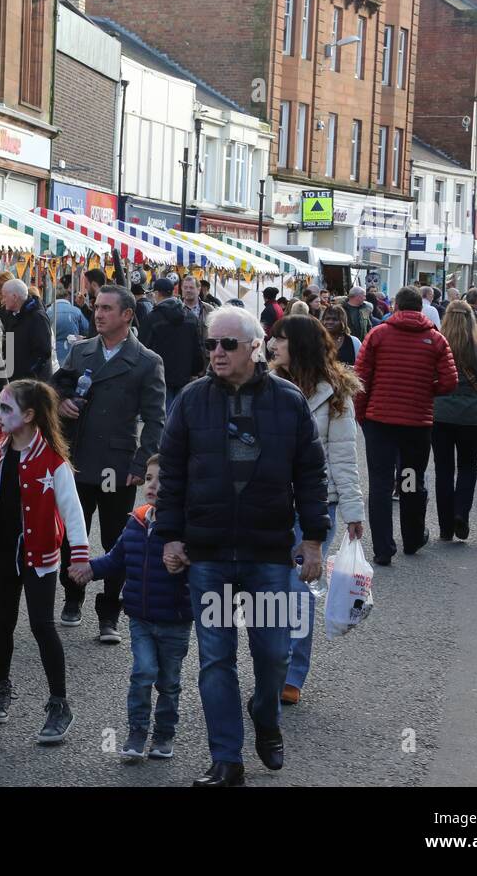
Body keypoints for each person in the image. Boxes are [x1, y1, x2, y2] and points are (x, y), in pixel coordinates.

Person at [158, 306, 329, 787]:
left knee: (273, 654)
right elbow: (170, 476)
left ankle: (265, 714)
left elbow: (310, 475)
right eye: (211, 344)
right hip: (209, 554)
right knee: (215, 658)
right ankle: (226, 760)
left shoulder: (288, 401)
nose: (216, 352)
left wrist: (312, 539)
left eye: (227, 344)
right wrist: (170, 535)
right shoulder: (191, 401)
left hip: (268, 553)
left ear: (255, 348)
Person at [0, 379, 87, 744]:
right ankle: (1, 687)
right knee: (3, 624)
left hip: (40, 556)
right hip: (1, 553)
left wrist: (79, 557)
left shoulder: (53, 460)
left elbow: (73, 512)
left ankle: (59, 703)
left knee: (42, 625)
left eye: (6, 409)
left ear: (29, 415)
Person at [54, 285, 166, 643]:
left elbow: (155, 420)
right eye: (96, 307)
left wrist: (141, 462)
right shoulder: (80, 351)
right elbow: (57, 392)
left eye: (106, 308)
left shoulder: (147, 361)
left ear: (127, 315)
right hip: (77, 457)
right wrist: (62, 404)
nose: (98, 314)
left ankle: (109, 612)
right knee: (73, 537)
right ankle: (73, 598)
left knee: (118, 540)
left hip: (117, 463)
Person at [267, 315, 363, 706]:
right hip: (269, 500)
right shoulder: (266, 384)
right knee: (269, 585)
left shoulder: (335, 393)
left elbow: (344, 456)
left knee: (299, 587)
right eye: (273, 338)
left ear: (301, 345)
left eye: (281, 339)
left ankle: (293, 672)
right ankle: (271, 660)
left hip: (318, 503)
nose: (273, 345)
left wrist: (354, 510)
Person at [71, 454, 192, 760]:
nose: (153, 485)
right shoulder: (137, 521)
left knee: (168, 682)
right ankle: (137, 731)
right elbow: (115, 559)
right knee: (143, 672)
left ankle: (164, 735)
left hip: (175, 619)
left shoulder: (187, 528)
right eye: (149, 478)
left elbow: (202, 568)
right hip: (139, 617)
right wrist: (89, 569)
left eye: (162, 479)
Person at [354, 286, 458, 566]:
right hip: (416, 423)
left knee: (380, 484)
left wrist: (362, 415)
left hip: (380, 422)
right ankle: (411, 538)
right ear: (421, 308)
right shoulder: (435, 339)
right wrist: (426, 390)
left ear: (396, 306)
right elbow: (450, 381)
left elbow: (360, 381)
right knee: (411, 479)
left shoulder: (378, 335)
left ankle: (383, 549)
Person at [432, 301, 477, 542]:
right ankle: (461, 513)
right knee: (467, 466)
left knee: (443, 469)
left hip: (440, 414)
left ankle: (444, 528)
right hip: (471, 417)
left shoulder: (436, 345)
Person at [140, 276, 205, 411]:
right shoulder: (190, 317)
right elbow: (197, 347)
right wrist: (196, 369)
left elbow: (143, 349)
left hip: (160, 377)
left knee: (164, 418)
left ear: (157, 294)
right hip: (185, 377)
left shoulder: (152, 318)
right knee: (181, 416)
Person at [0, 278, 54, 381]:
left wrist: (30, 374)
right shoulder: (11, 316)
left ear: (15, 297)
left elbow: (44, 351)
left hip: (32, 384)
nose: (3, 300)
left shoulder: (37, 317)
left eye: (4, 296)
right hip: (15, 380)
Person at [49, 284, 90, 365]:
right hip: (73, 353)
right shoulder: (76, 311)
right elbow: (86, 330)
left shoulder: (49, 312)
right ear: (67, 297)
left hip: (54, 355)